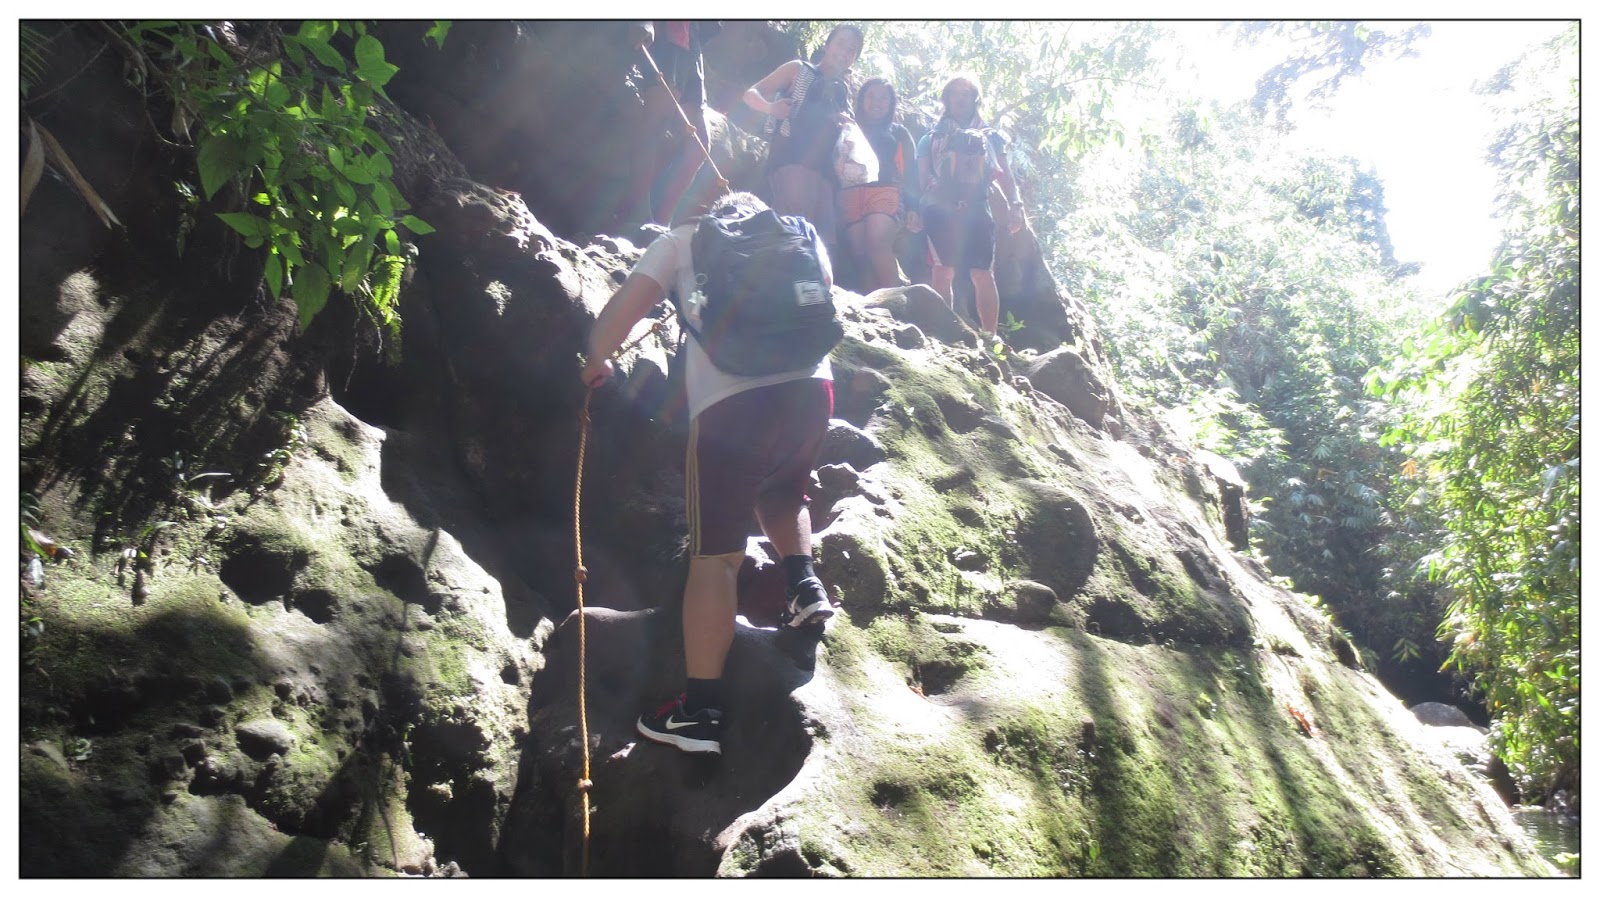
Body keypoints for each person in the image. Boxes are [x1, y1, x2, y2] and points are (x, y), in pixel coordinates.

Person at [580, 191, 837, 755]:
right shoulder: (800, 233)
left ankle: (699, 712)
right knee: (784, 488)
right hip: (813, 393)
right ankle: (803, 586)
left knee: (716, 557)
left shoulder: (683, 238)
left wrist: (597, 357)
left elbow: (618, 319)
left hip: (733, 407)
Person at [915, 74, 1027, 335]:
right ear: (947, 99)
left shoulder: (993, 138)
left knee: (982, 274)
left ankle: (990, 338)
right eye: (954, 92)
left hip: (978, 208)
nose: (960, 97)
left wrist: (1015, 204)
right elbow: (922, 178)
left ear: (975, 97)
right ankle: (943, 335)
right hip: (940, 209)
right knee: (942, 272)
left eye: (966, 92)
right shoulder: (930, 138)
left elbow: (1005, 173)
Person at [741, 24, 863, 262]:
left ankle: (808, 297)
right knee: (790, 237)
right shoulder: (798, 70)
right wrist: (770, 108)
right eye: (841, 43)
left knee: (822, 248)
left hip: (824, 178)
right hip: (790, 164)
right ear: (827, 45)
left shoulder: (842, 92)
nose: (844, 52)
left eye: (852, 50)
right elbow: (750, 94)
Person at [625, 21, 722, 227]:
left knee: (700, 145)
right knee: (656, 122)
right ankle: (640, 215)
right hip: (665, 33)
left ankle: (661, 223)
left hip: (690, 40)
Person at [837, 77, 921, 294]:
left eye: (883, 97)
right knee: (861, 254)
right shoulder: (847, 127)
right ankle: (873, 310)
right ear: (862, 99)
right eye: (871, 96)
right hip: (851, 193)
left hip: (885, 191)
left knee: (877, 244)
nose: (877, 102)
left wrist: (913, 207)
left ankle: (897, 304)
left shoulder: (899, 132)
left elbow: (911, 172)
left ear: (891, 103)